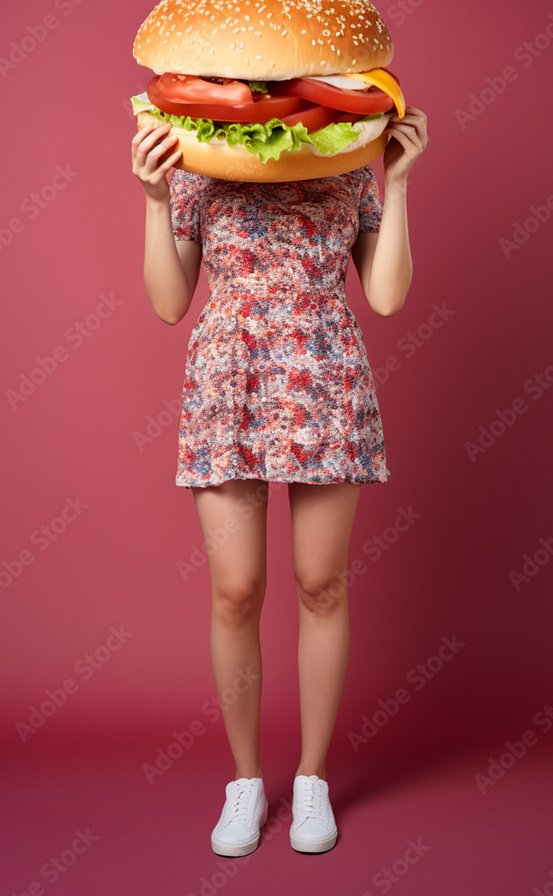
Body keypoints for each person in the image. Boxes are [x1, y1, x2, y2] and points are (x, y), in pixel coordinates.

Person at [131, 107, 428, 856]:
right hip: (227, 381)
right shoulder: (199, 172)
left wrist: (394, 183)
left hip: (324, 378)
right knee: (235, 590)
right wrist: (155, 198)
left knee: (320, 583)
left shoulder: (348, 174)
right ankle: (243, 783)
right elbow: (170, 305)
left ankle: (312, 780)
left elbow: (387, 296)